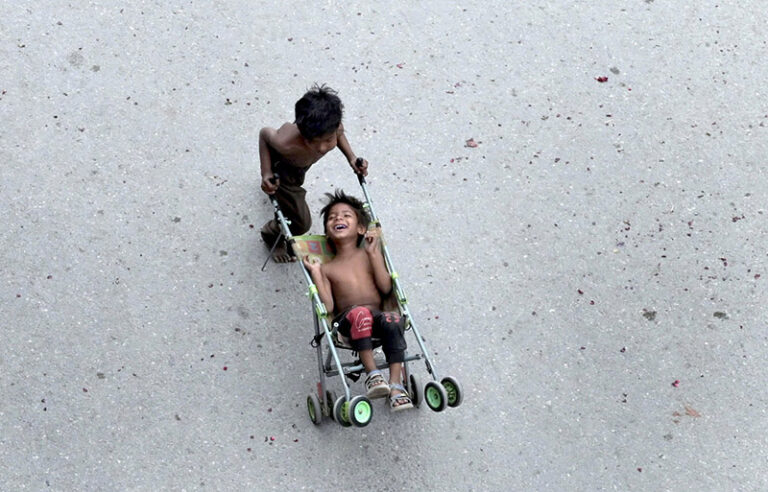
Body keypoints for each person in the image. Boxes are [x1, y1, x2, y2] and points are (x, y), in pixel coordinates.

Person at [302, 190, 413, 411]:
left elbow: (385, 287)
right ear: (326, 232)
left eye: (346, 216)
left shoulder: (368, 255)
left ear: (361, 229)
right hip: (346, 321)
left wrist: (374, 254)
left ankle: (396, 384)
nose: (338, 219)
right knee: (359, 314)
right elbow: (329, 306)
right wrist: (315, 272)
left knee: (393, 318)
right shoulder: (327, 267)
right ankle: (373, 374)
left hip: (377, 317)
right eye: (332, 217)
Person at [259, 84, 368, 262]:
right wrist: (266, 172)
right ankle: (271, 233)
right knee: (301, 223)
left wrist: (351, 158)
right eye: (313, 142)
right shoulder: (285, 143)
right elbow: (264, 134)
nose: (322, 148)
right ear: (302, 134)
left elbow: (339, 134)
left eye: (328, 140)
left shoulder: (333, 127)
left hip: (302, 166)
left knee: (294, 205)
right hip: (285, 174)